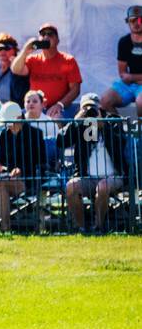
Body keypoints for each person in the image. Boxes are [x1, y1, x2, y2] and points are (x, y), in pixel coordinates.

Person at [58, 93, 130, 233]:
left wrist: (103, 126)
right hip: (87, 176)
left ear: (100, 107)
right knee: (71, 186)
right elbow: (61, 142)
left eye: (93, 108)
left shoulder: (113, 121)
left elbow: (121, 142)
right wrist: (76, 121)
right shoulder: (80, 125)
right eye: (86, 108)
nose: (90, 112)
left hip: (114, 175)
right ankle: (82, 227)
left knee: (102, 186)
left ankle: (98, 226)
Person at [0, 102, 48, 233]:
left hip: (28, 179)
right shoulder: (4, 136)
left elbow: (41, 160)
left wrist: (22, 169)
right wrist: (0, 166)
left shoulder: (35, 134)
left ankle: (5, 228)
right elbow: (2, 160)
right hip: (7, 177)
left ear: (18, 118)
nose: (8, 126)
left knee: (0, 184)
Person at [11, 23, 81, 118]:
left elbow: (75, 89)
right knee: (15, 119)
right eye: (43, 34)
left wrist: (60, 105)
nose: (46, 37)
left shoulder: (68, 60)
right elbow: (16, 69)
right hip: (36, 107)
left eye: (50, 34)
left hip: (59, 109)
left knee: (56, 119)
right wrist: (25, 51)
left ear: (57, 40)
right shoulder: (33, 59)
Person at [101, 4, 142, 116]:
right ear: (128, 22)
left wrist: (132, 77)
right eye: (132, 20)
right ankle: (119, 130)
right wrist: (135, 79)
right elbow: (122, 73)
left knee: (141, 102)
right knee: (105, 100)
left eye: (140, 20)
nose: (136, 23)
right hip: (129, 84)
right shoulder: (124, 42)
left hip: (134, 82)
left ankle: (140, 131)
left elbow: (127, 76)